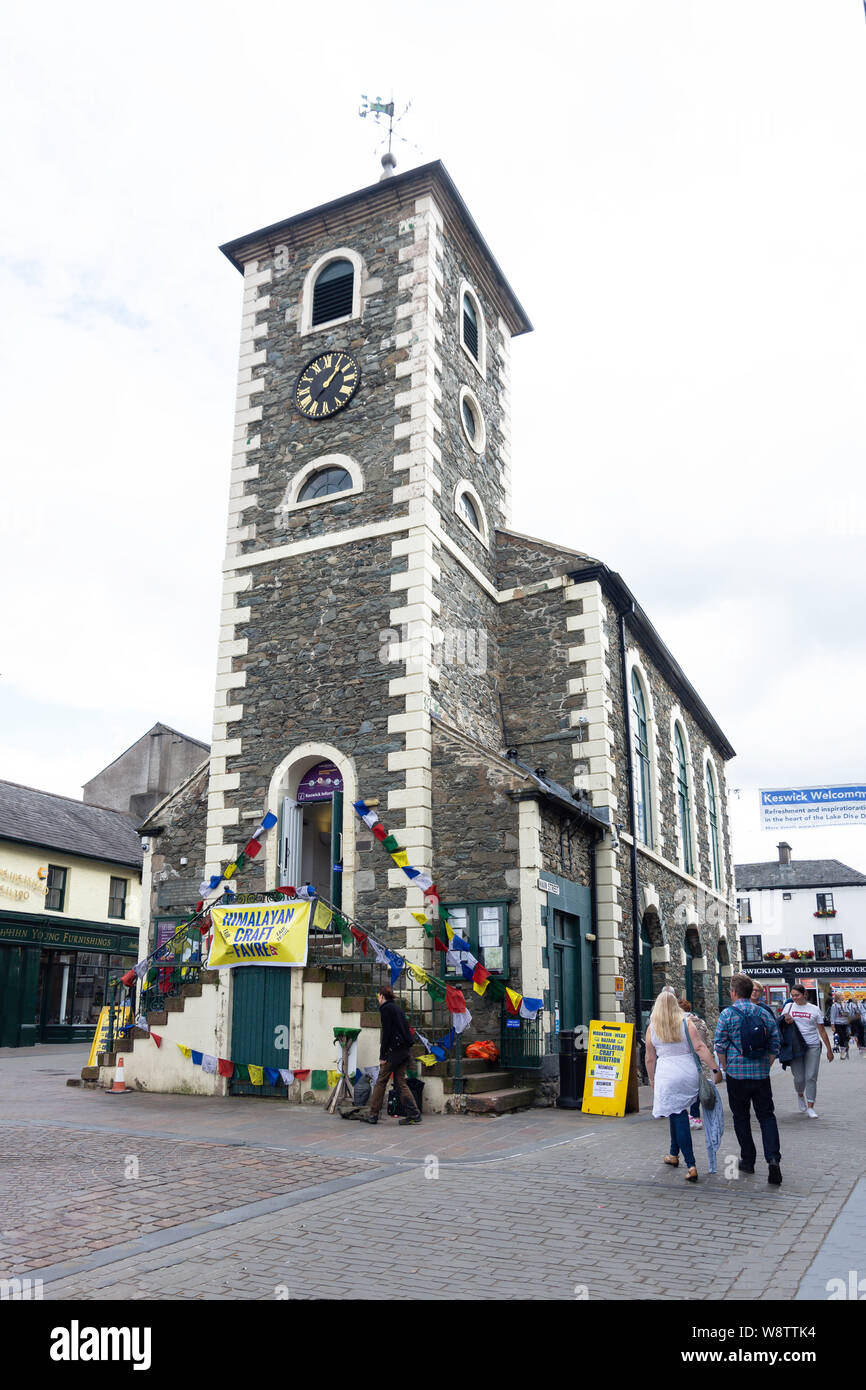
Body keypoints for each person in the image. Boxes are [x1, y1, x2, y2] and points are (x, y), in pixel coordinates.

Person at [645, 989, 722, 1183]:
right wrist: (715, 1069)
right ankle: (673, 1154)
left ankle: (691, 1164)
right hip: (687, 1072)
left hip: (666, 1073)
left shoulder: (652, 1027)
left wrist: (652, 1080)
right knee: (675, 1112)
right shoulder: (686, 1023)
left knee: (678, 1115)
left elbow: (650, 1058)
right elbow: (699, 1047)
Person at [715, 973, 783, 1185]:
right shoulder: (763, 1012)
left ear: (734, 993)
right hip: (761, 1074)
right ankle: (773, 1160)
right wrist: (768, 1063)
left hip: (737, 1075)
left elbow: (719, 1044)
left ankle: (748, 1160)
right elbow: (775, 1041)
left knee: (741, 1117)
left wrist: (726, 1067)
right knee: (766, 1116)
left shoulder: (727, 1014)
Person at [362, 987, 422, 1126]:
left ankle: (373, 1114)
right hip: (404, 1050)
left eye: (378, 996)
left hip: (394, 1051)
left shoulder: (386, 1009)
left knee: (381, 1081)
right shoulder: (396, 1008)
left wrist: (382, 1055)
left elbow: (387, 1033)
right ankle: (414, 1113)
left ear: (382, 996)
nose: (378, 999)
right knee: (401, 1082)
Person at [779, 982, 833, 1116]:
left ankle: (811, 1106)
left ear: (804, 994)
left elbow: (822, 1031)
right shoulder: (788, 1007)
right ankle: (800, 1095)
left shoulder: (814, 1009)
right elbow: (780, 1023)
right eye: (792, 995)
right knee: (799, 1078)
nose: (795, 998)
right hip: (795, 1046)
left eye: (797, 995)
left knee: (811, 1076)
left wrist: (829, 1050)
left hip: (812, 1045)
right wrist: (784, 1018)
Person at [678, 997, 713, 1130]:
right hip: (700, 1062)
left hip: (684, 1062)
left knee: (683, 1090)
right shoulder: (701, 1023)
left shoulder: (678, 1024)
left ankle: (686, 1116)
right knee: (698, 1090)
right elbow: (708, 1044)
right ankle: (696, 1116)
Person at [830, 992, 851, 1059]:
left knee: (847, 1037)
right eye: (841, 995)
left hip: (845, 1023)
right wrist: (832, 1025)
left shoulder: (845, 1004)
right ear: (837, 997)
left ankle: (844, 1049)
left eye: (842, 995)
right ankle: (843, 1054)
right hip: (838, 1024)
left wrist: (845, 1007)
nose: (842, 996)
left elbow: (848, 1013)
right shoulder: (834, 1005)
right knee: (842, 1038)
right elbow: (832, 1016)